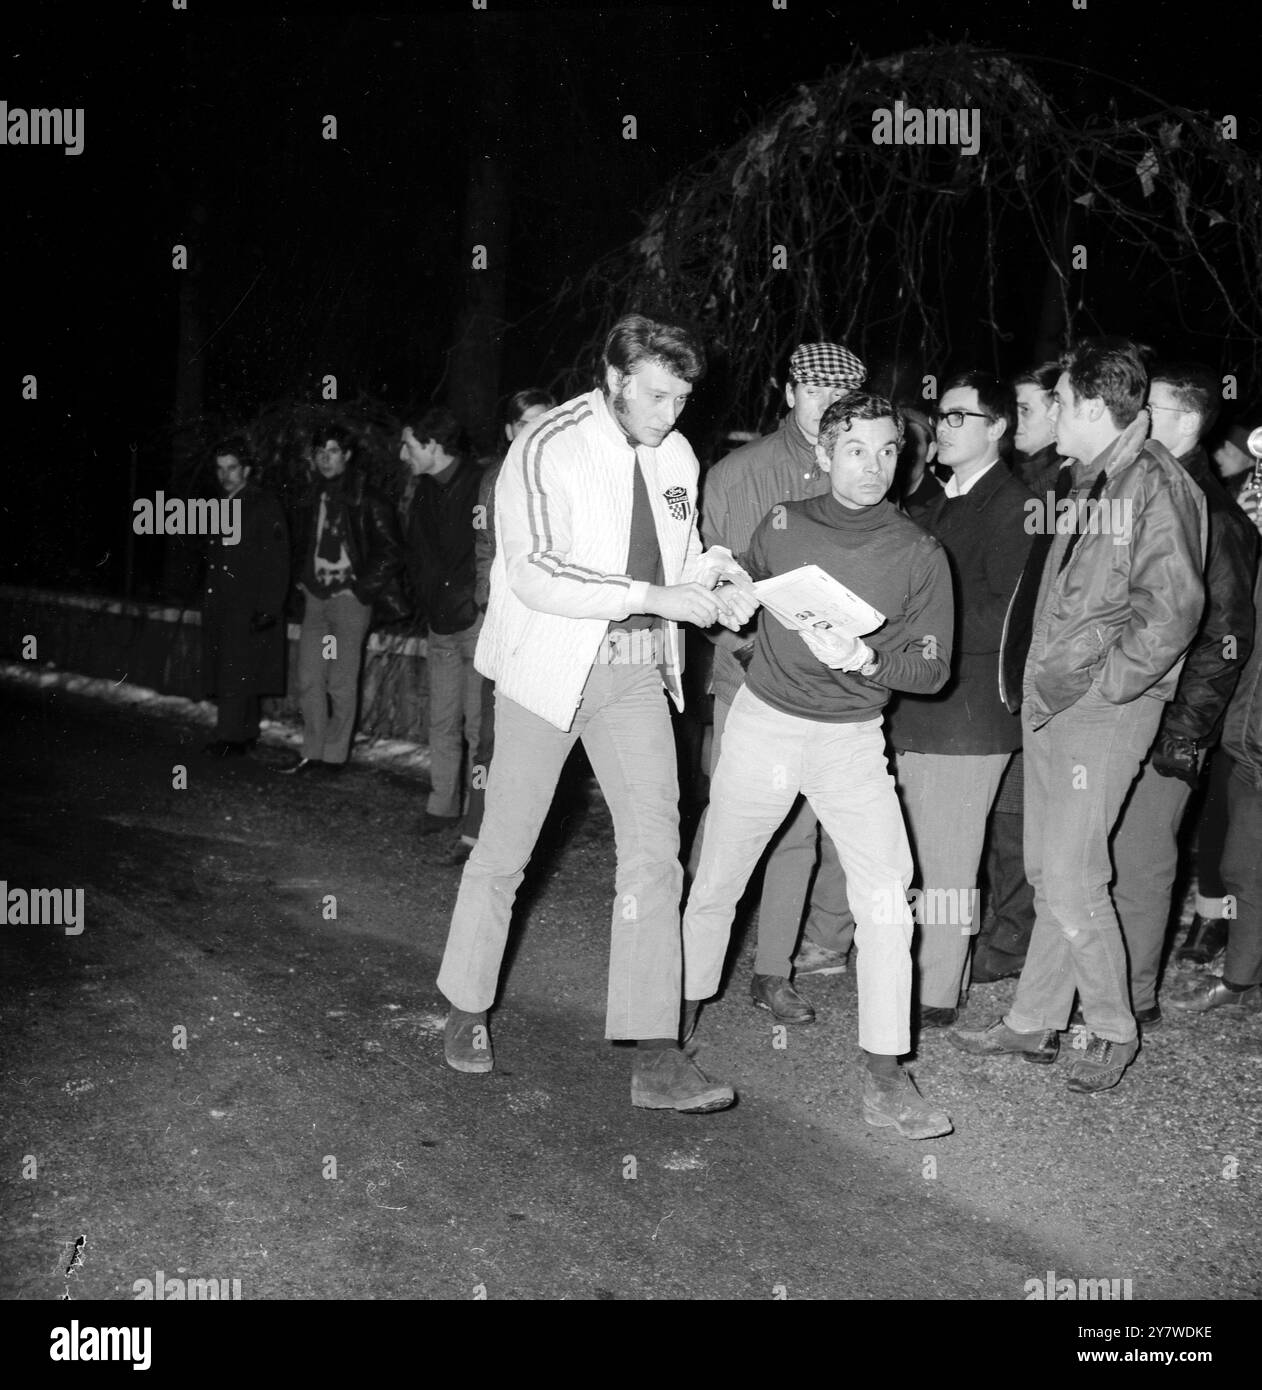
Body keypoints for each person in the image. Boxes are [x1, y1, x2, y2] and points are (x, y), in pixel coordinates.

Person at [436, 314, 758, 1112]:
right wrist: (656, 595)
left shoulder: (678, 454)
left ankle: (655, 1053)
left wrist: (720, 579)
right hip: (550, 672)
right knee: (507, 848)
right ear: (614, 379)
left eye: (682, 398)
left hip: (637, 672)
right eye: (656, 396)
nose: (671, 413)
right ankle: (467, 1006)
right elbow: (537, 573)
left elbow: (680, 557)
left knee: (656, 850)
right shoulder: (546, 446)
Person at [682, 393, 956, 1140]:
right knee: (718, 880)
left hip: (851, 738)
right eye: (857, 449)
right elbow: (739, 586)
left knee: (887, 902)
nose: (874, 466)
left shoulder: (920, 552)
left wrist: (868, 656)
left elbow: (932, 669)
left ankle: (886, 1073)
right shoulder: (783, 521)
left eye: (888, 450)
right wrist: (734, 603)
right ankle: (669, 1032)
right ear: (826, 455)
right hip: (764, 725)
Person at [951, 337, 1206, 1093]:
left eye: (1058, 400)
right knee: (1047, 870)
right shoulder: (1086, 476)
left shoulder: (1154, 486)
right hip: (1054, 699)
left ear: (1093, 407)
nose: (1048, 412)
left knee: (1070, 878)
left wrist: (1106, 686)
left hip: (1099, 708)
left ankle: (1114, 1027)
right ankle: (1034, 1020)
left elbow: (1174, 612)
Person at [692, 341, 867, 1019]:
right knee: (732, 816)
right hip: (750, 673)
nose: (827, 405)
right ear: (788, 390)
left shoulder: (858, 471)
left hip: (825, 681)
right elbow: (714, 583)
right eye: (814, 390)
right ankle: (688, 954)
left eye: (840, 394)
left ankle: (773, 969)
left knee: (798, 823)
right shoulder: (741, 473)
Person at [1109, 364, 1257, 1024]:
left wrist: (1186, 737)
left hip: (1170, 720)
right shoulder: (1143, 488)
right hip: (1126, 708)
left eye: (1154, 406)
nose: (1137, 415)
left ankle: (1134, 999)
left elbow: (1225, 637)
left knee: (1142, 858)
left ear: (1189, 421)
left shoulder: (1211, 513)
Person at [887, 373, 1032, 1028]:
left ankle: (937, 993)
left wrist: (908, 626)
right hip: (925, 708)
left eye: (955, 417)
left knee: (946, 860)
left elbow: (1004, 620)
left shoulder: (1014, 505)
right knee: (921, 851)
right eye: (940, 417)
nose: (940, 427)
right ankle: (922, 975)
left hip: (968, 716)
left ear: (996, 427)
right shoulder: (943, 504)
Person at [972, 366, 1070, 984]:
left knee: (1019, 822)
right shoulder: (1029, 481)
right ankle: (1003, 934)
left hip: (1036, 680)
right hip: (1013, 678)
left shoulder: (1052, 488)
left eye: (1030, 408)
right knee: (1005, 818)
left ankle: (1013, 943)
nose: (1020, 418)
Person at [444, 388, 557, 867]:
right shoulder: (497, 479)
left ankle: (526, 837)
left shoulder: (562, 474)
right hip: (510, 624)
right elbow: (486, 551)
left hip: (554, 623)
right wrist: (494, 605)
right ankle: (475, 832)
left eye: (547, 421)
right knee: (494, 732)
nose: (539, 432)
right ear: (511, 431)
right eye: (528, 423)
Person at [286, 422, 406, 774]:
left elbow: (391, 550)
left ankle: (334, 756)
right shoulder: (309, 496)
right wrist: (299, 579)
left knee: (340, 681)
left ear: (348, 455)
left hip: (349, 601)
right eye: (320, 452)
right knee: (310, 678)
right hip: (316, 599)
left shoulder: (367, 498)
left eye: (334, 451)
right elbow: (295, 542)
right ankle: (312, 751)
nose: (326, 459)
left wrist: (360, 589)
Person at [400, 407, 485, 835]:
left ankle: (476, 813)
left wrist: (473, 602)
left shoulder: (480, 483)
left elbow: (487, 554)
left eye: (409, 444)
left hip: (473, 623)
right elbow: (417, 555)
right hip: (441, 622)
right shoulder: (426, 491)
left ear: (433, 446)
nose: (403, 454)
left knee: (477, 723)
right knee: (443, 719)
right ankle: (441, 806)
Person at [200, 437, 289, 756]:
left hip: (248, 602)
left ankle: (229, 736)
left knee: (235, 671)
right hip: (224, 602)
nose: (225, 475)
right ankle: (243, 734)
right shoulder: (220, 503)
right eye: (220, 469)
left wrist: (269, 606)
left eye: (232, 468)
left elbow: (279, 557)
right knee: (238, 669)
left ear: (247, 470)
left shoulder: (262, 503)